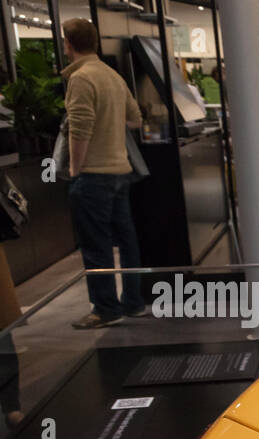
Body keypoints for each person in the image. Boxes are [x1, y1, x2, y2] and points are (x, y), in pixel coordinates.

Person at [60, 18, 147, 330]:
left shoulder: (81, 79)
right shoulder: (111, 76)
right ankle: (134, 302)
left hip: (94, 174)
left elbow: (79, 128)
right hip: (120, 171)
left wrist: (75, 168)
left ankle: (105, 308)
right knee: (127, 240)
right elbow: (136, 119)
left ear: (68, 44)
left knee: (96, 245)